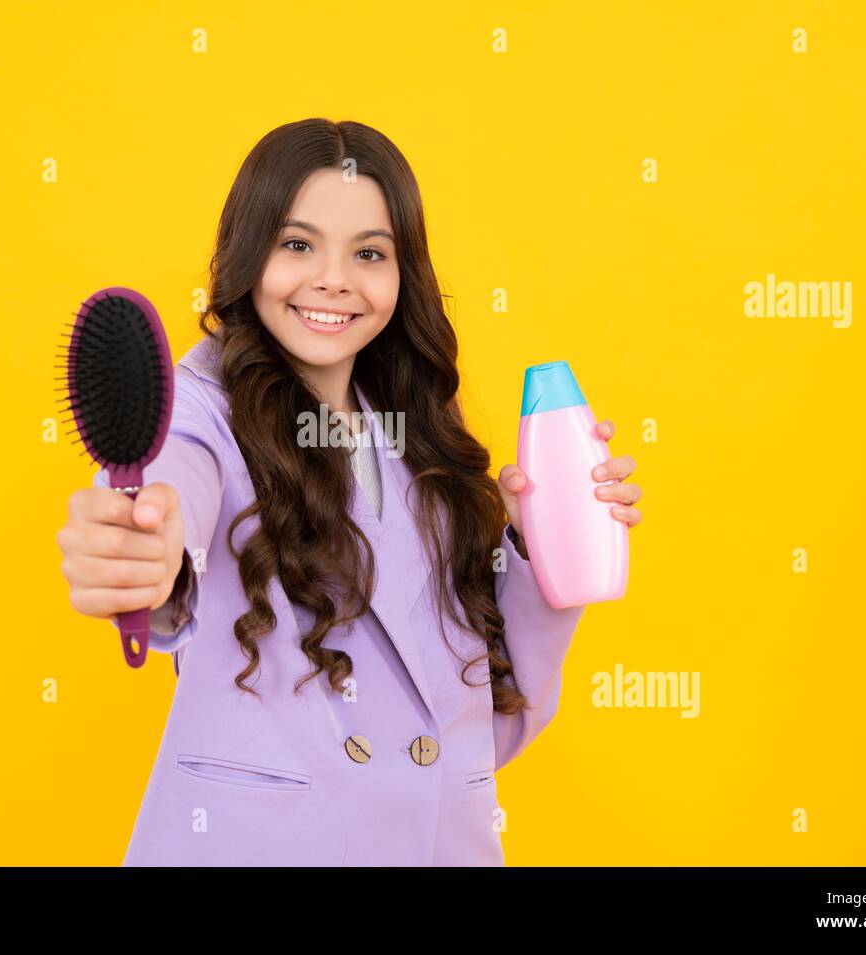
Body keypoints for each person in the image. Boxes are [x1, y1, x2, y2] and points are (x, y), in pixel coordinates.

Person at [57, 118, 643, 866]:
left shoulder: (419, 441)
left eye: (369, 253)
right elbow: (177, 484)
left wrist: (538, 548)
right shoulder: (203, 409)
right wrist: (150, 543)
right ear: (247, 254)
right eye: (297, 245)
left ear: (404, 275)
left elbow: (483, 734)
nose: (334, 278)